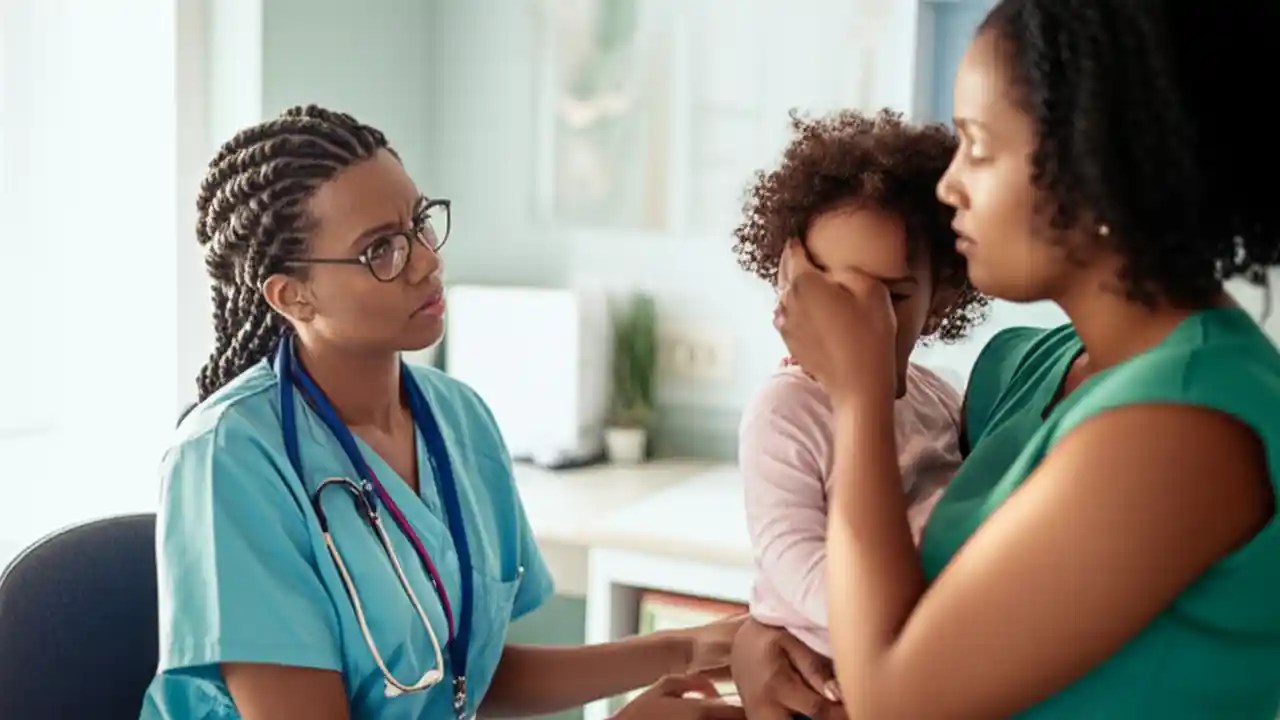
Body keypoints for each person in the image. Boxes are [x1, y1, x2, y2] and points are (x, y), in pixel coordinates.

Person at [749, 1, 1280, 718]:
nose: (948, 186)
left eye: (978, 146)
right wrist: (754, 640)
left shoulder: (1179, 431)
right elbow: (909, 602)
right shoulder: (1024, 370)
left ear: (1095, 166)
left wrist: (860, 393)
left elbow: (898, 700)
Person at [139, 105, 751, 720]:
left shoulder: (458, 418)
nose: (427, 261)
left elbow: (464, 674)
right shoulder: (227, 457)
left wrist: (690, 649)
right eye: (382, 250)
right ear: (292, 295)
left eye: (421, 224)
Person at [732, 109, 986, 662]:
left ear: (938, 299)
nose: (863, 324)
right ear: (790, 292)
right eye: (835, 295)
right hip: (835, 662)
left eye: (891, 297)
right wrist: (901, 617)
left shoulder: (941, 396)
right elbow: (791, 556)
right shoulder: (785, 409)